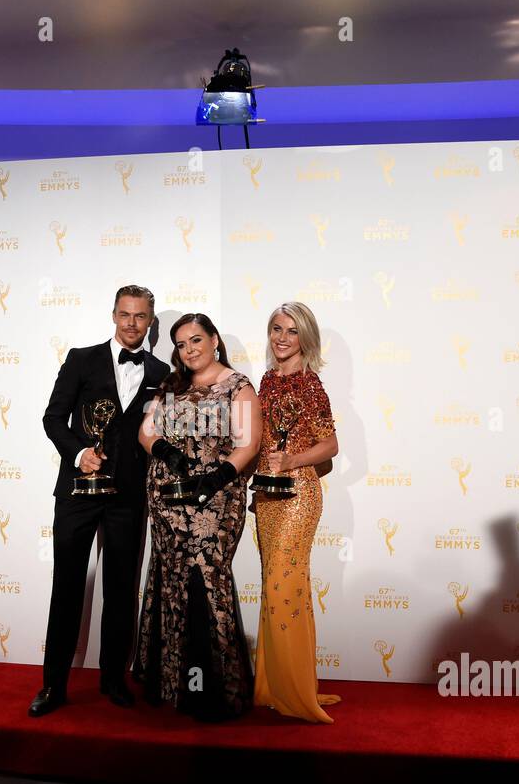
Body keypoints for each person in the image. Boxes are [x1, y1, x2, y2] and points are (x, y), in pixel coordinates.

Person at [29, 285, 170, 717]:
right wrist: (78, 453)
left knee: (121, 590)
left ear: (150, 322)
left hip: (128, 496)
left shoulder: (163, 372)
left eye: (141, 316)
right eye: (125, 315)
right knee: (67, 586)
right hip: (77, 493)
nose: (132, 323)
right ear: (113, 315)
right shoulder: (80, 359)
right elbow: (53, 417)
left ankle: (113, 679)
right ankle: (53, 685)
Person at [134, 313, 262, 721]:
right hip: (167, 502)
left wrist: (218, 476)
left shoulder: (237, 386)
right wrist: (164, 451)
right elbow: (145, 431)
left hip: (214, 501)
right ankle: (172, 685)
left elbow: (249, 443)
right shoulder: (173, 386)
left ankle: (212, 692)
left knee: (207, 578)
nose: (189, 350)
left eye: (196, 341)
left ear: (215, 340)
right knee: (170, 580)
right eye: (181, 345)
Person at [251, 302, 341, 723]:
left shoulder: (311, 385)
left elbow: (330, 447)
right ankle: (278, 686)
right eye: (275, 329)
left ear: (305, 337)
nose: (281, 338)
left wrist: (292, 461)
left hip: (299, 497)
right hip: (267, 497)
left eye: (290, 331)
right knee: (278, 589)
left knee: (282, 589)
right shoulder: (267, 381)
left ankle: (296, 693)